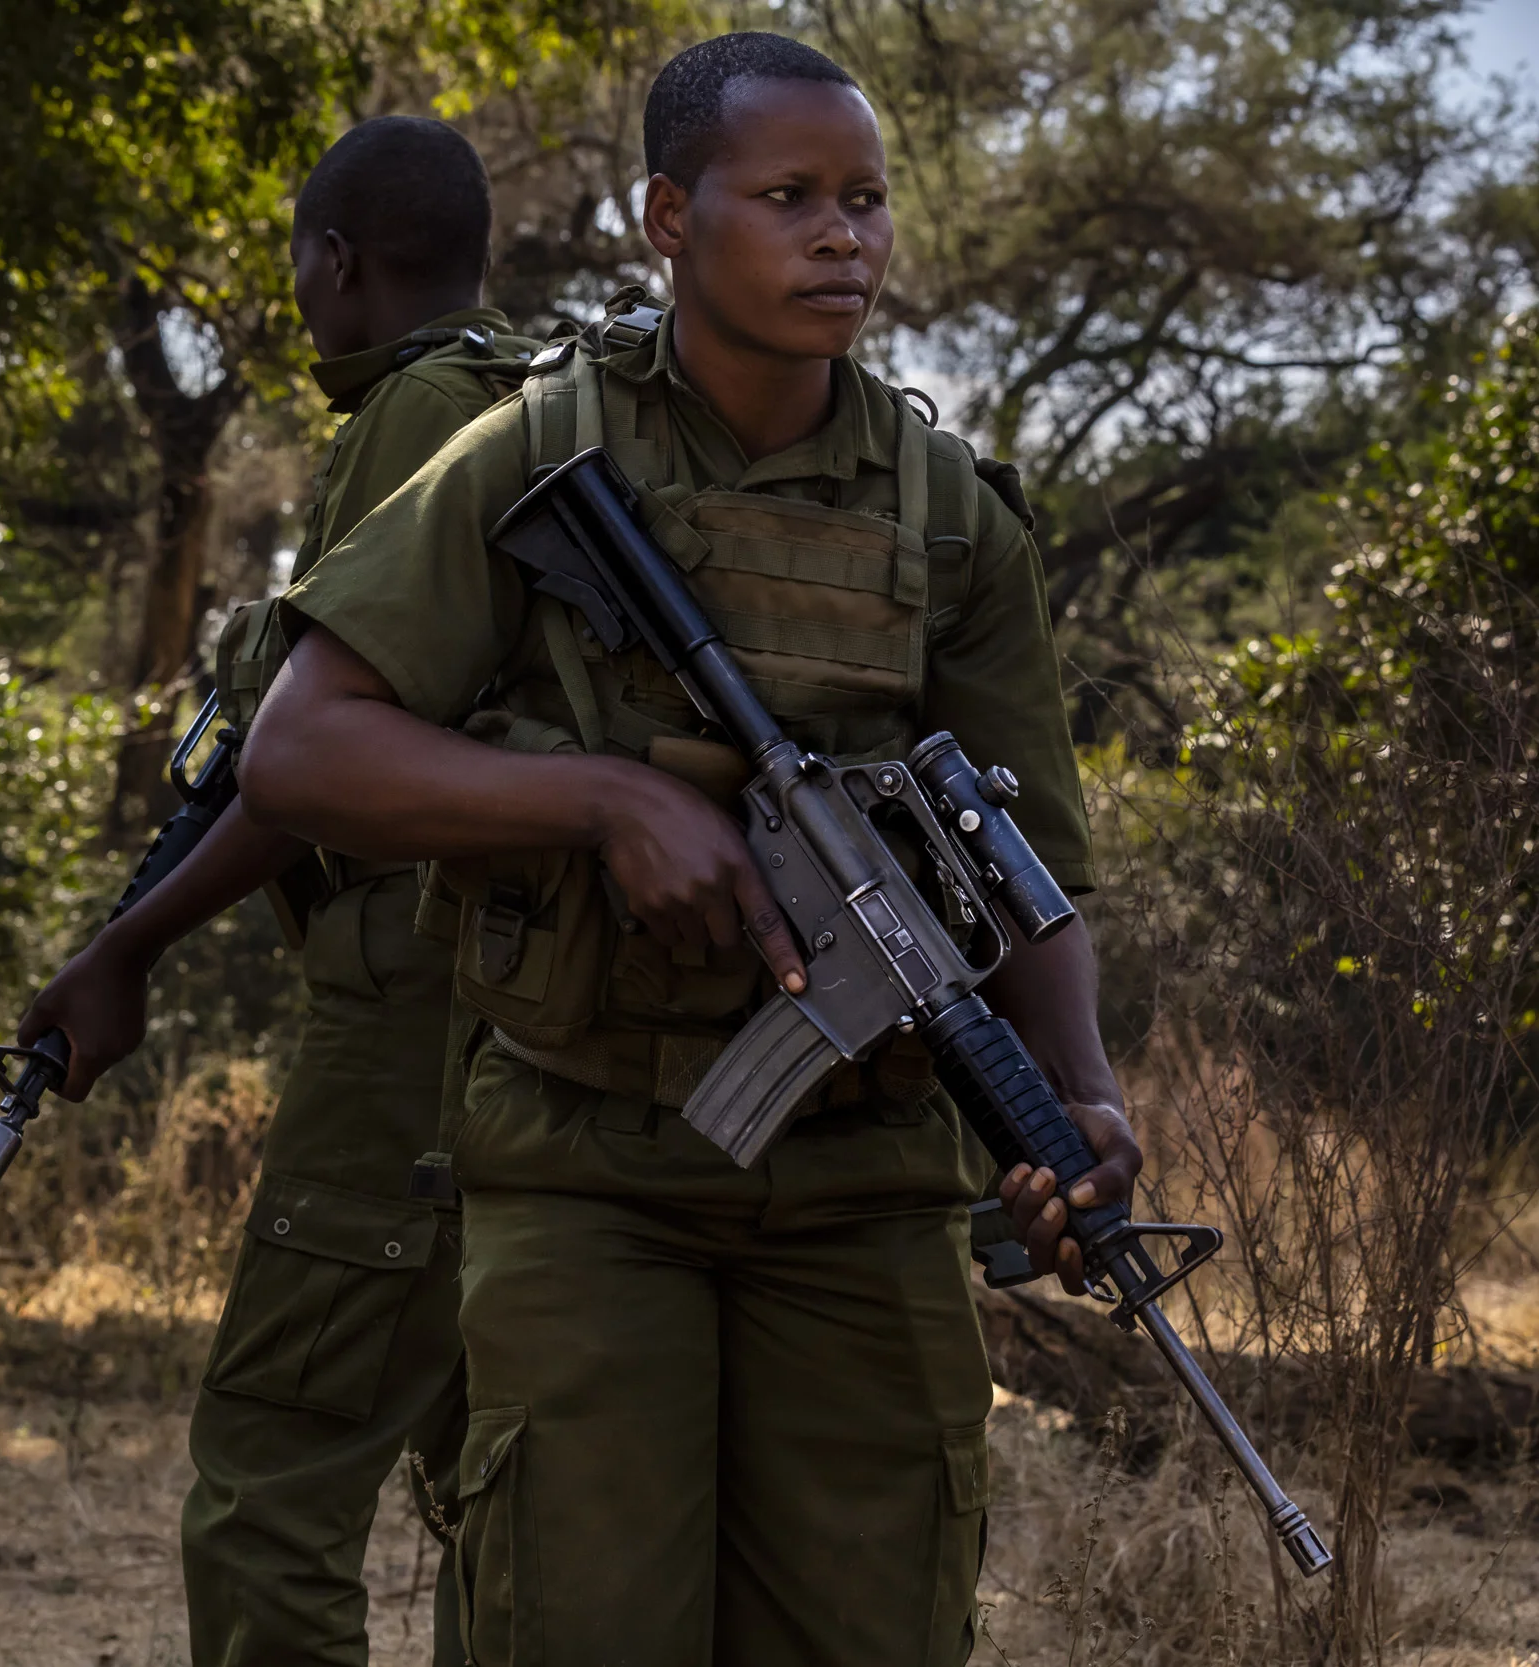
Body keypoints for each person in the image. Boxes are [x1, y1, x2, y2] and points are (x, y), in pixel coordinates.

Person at [237, 33, 1141, 1666]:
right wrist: (604, 799)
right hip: (592, 1173)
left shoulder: (951, 519)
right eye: (788, 196)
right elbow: (302, 744)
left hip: (870, 1192)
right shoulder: (533, 453)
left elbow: (1029, 874)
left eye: (865, 200)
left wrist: (1079, 1100)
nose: (841, 235)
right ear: (667, 214)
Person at [17, 116, 541, 1666]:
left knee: (272, 1474)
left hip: (406, 1017)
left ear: (339, 259)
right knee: (492, 1481)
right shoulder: (533, 400)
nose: (307, 301)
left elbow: (313, 763)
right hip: (521, 1009)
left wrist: (131, 946)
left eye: (306, 270)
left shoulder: (416, 409)